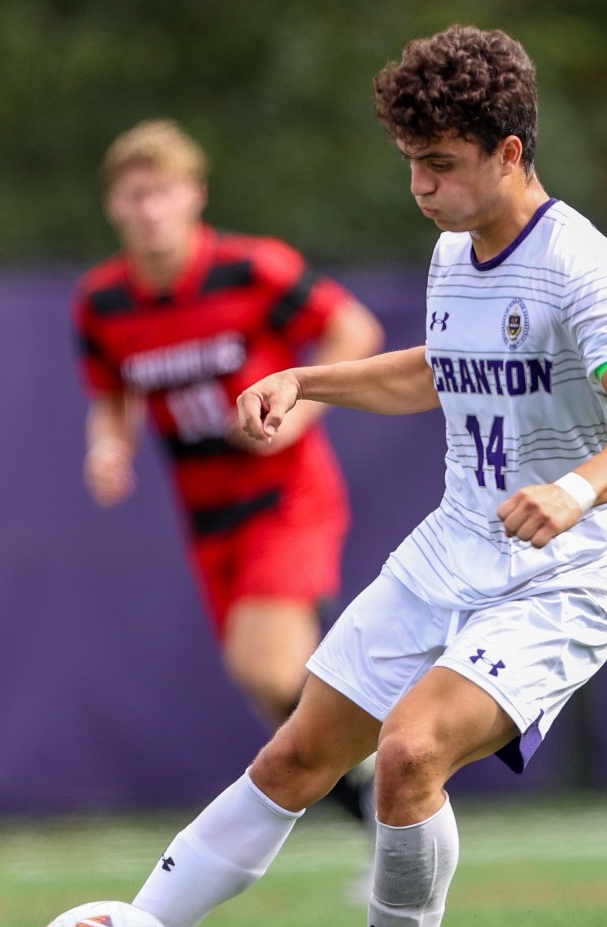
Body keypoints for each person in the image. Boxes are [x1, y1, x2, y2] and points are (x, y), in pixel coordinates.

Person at [0, 25, 607, 927]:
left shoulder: (580, 265)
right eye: (410, 164)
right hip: (450, 548)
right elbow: (432, 372)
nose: (421, 187)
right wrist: (304, 376)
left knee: (407, 754)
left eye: (440, 165)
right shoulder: (456, 250)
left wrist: (577, 490)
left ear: (507, 152)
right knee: (293, 757)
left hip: (557, 576)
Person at [73, 119, 385, 821]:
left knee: (265, 667)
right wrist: (107, 449)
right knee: (280, 700)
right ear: (112, 205)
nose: (149, 209)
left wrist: (295, 410)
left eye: (163, 192)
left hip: (285, 494)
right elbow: (112, 397)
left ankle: (395, 768)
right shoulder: (102, 302)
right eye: (134, 195)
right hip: (208, 516)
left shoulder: (251, 267)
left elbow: (355, 329)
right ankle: (383, 796)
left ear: (195, 197)